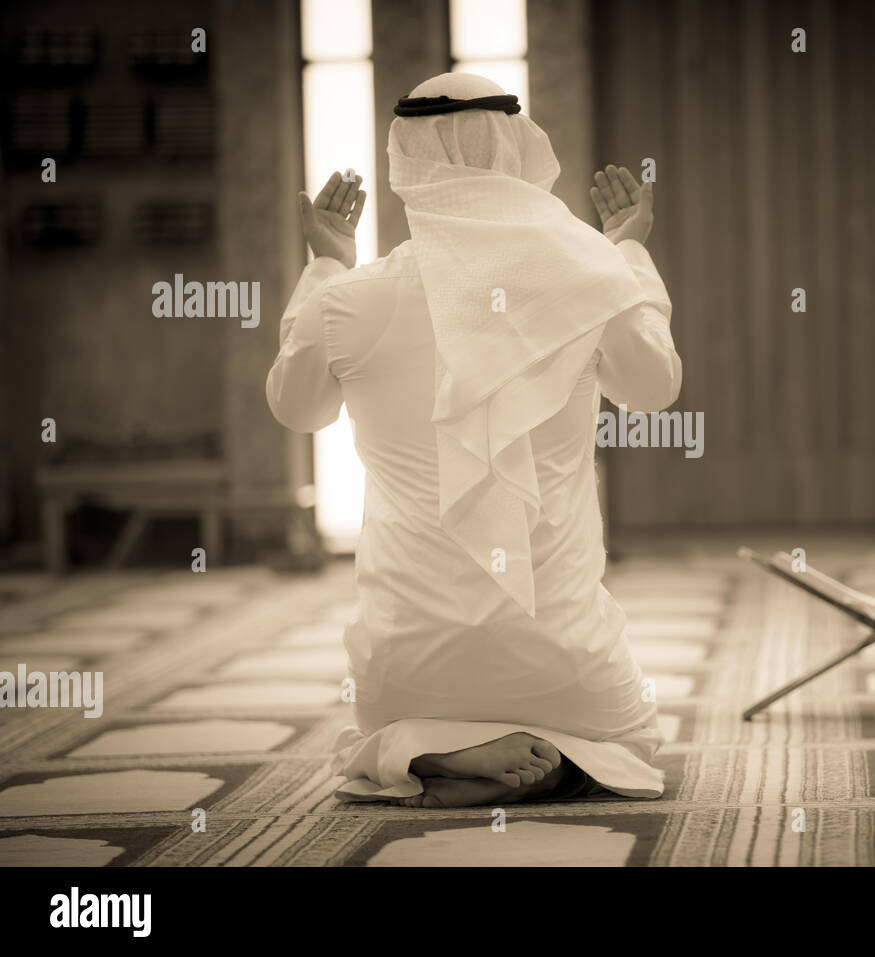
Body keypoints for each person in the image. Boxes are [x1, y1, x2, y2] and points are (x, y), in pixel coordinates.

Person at [265, 73, 680, 808]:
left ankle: (417, 744)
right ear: (518, 153)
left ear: (404, 164)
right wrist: (627, 253)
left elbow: (297, 409)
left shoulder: (353, 300)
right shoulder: (587, 282)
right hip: (564, 666)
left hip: (406, 666)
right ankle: (560, 752)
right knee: (633, 744)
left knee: (379, 720)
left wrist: (328, 261)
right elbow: (654, 388)